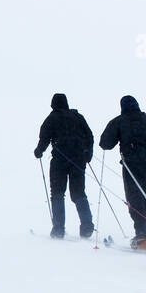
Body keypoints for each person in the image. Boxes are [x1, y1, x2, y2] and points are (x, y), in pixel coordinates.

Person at [98, 95, 146, 250]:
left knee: (134, 200)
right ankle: (143, 235)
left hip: (130, 166)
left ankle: (142, 237)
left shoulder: (119, 122)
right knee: (145, 198)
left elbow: (105, 144)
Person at [33, 93, 95, 239]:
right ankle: (87, 227)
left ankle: (58, 229)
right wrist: (88, 153)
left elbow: (44, 138)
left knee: (57, 194)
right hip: (78, 160)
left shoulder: (51, 118)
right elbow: (89, 136)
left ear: (53, 104)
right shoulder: (78, 117)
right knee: (79, 192)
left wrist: (39, 151)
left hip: (59, 161)